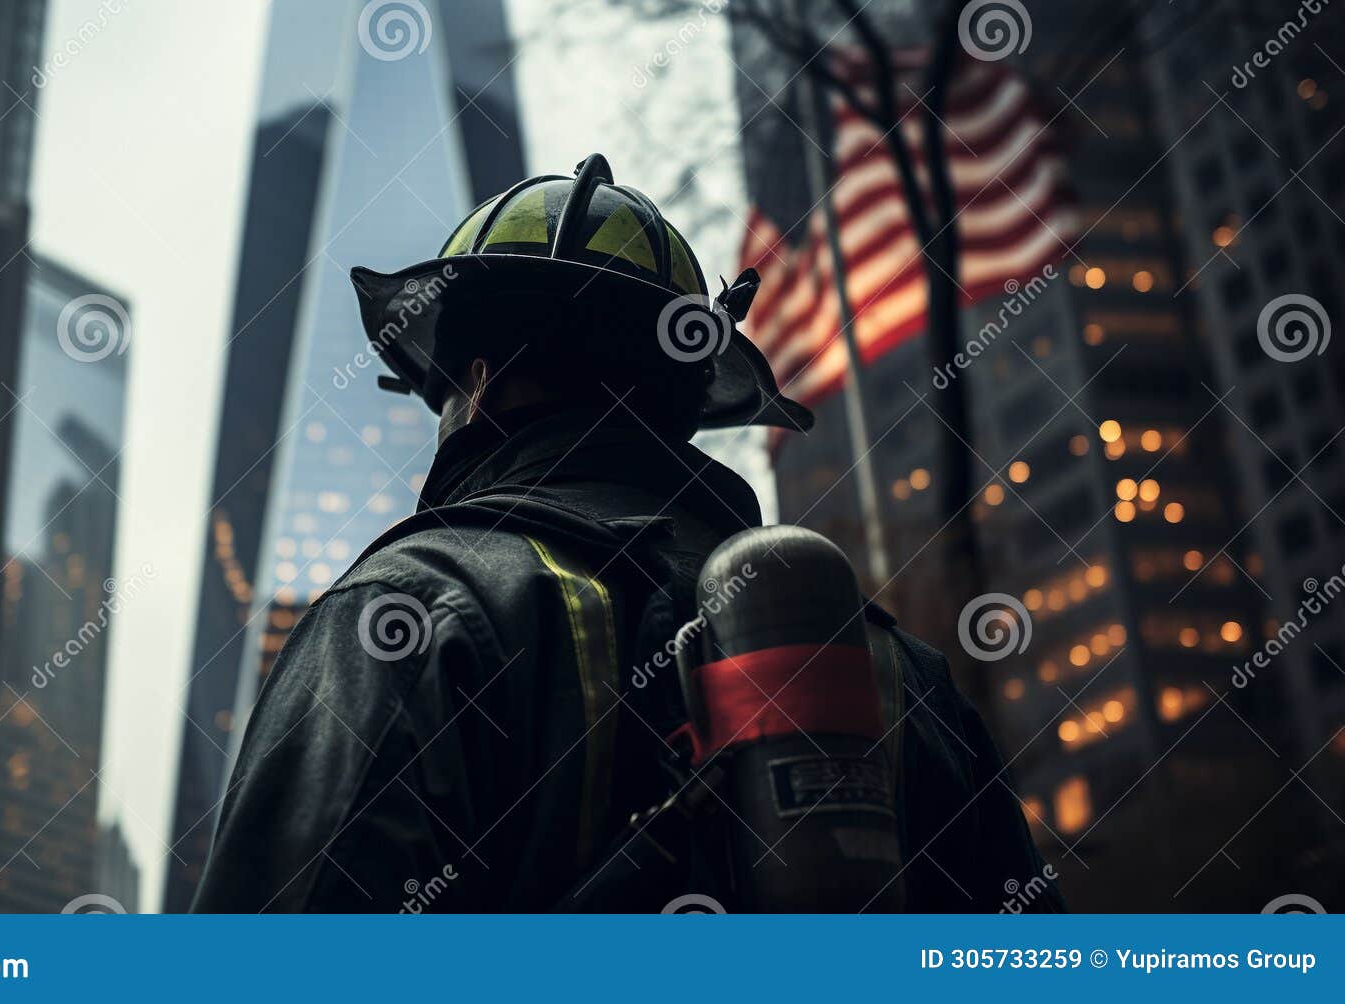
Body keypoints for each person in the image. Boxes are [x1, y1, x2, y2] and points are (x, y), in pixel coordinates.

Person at [191, 155, 1058, 913]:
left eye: (445, 393)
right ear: (683, 408)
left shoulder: (415, 610)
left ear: (482, 385)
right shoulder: (900, 678)